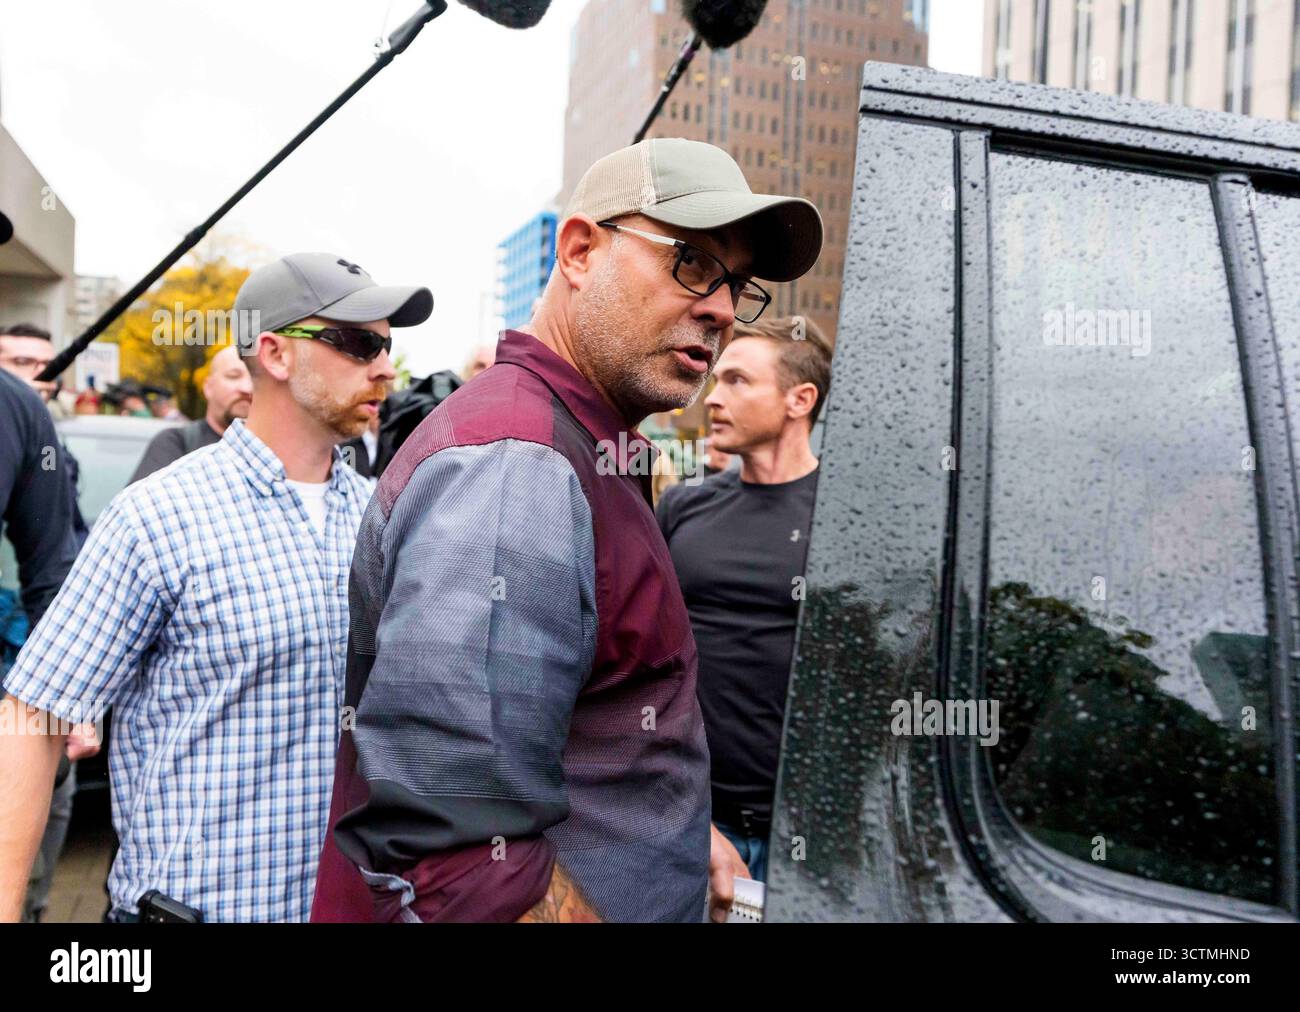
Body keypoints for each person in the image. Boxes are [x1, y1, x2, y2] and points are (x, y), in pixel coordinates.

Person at [312, 137, 822, 923]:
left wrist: (681, 838)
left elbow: (599, 741)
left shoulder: (584, 448)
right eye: (690, 261)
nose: (721, 308)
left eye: (735, 284)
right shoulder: (519, 466)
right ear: (581, 251)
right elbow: (459, 858)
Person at [0, 252, 433, 922]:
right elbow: (35, 716)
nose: (384, 366)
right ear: (275, 354)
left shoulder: (381, 518)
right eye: (359, 342)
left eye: (389, 346)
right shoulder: (160, 517)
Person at [656, 316, 833, 883]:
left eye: (737, 381)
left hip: (807, 834)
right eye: (715, 380)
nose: (713, 397)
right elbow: (638, 661)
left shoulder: (844, 521)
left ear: (798, 399)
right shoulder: (682, 506)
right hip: (689, 823)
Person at [128, 345, 253, 483]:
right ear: (208, 386)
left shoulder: (272, 452)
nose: (247, 388)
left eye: (255, 377)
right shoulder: (176, 443)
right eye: (233, 376)